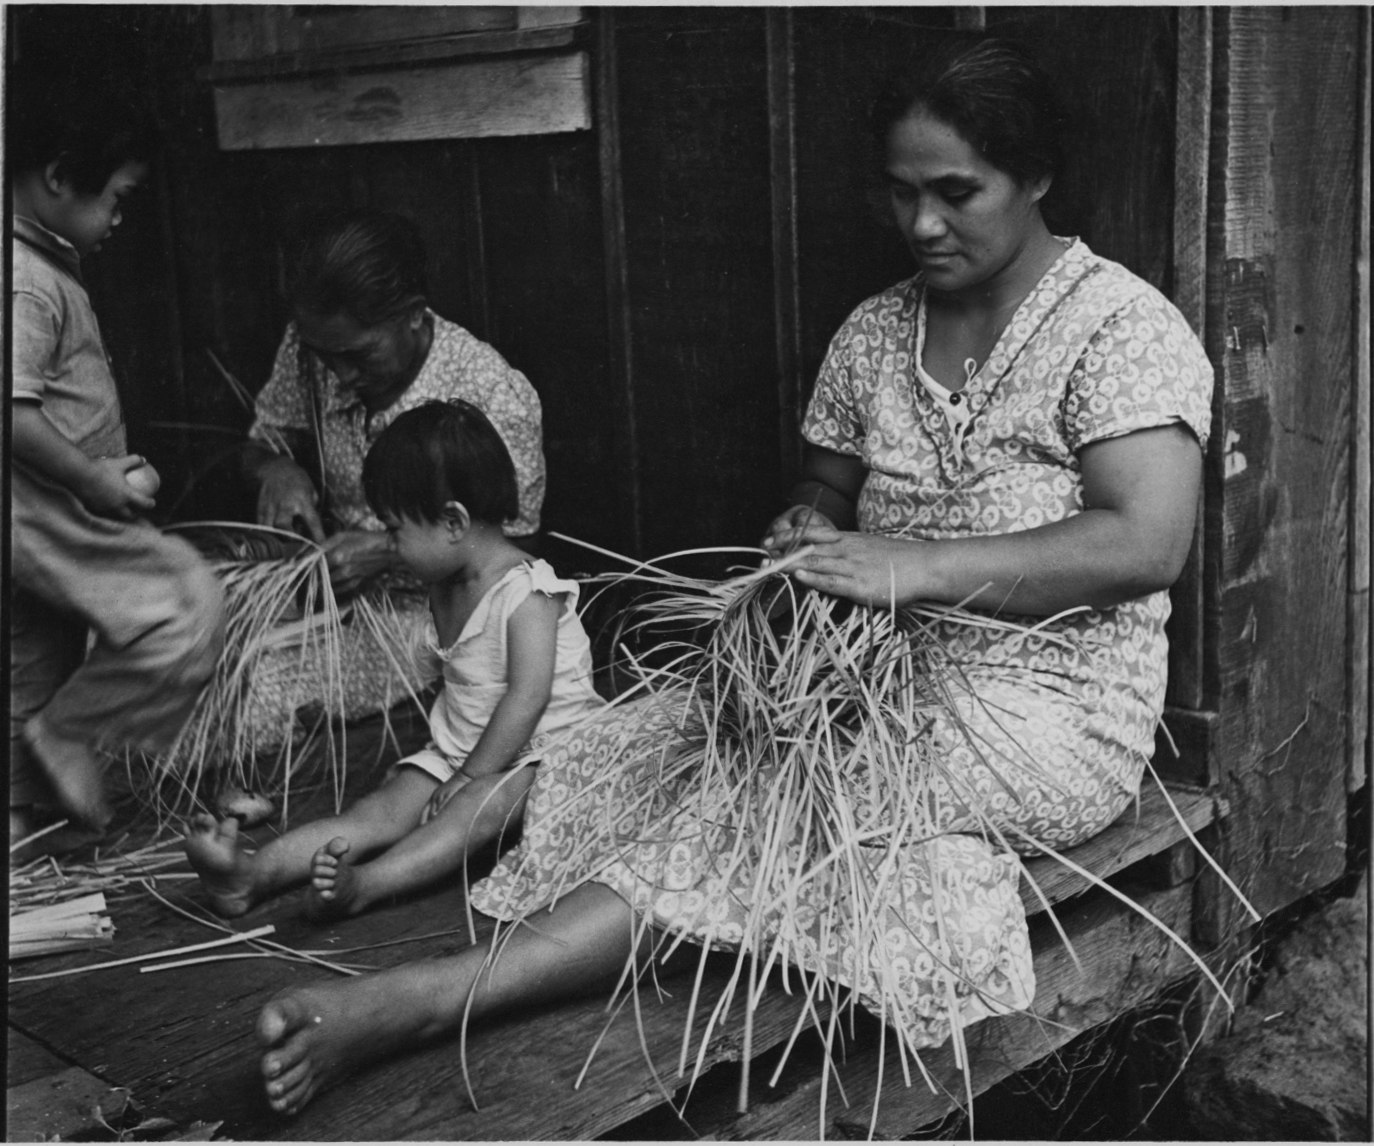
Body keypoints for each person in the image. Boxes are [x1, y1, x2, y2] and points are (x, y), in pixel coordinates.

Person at [248, 36, 1213, 1118]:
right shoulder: (876, 331)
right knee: (648, 747)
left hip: (1047, 702)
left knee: (778, 790)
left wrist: (919, 569)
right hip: (869, 674)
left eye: (957, 193)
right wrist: (806, 533)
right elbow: (825, 497)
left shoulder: (1119, 327)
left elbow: (1143, 545)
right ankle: (456, 960)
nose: (924, 225)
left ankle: (434, 999)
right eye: (902, 194)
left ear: (1035, 177)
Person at [184, 400, 603, 920]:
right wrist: (453, 766)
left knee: (472, 813)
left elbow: (527, 697)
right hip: (466, 751)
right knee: (378, 810)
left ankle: (369, 885)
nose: (389, 544)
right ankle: (250, 875)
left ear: (453, 521)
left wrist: (470, 777)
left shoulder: (527, 591)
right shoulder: (446, 585)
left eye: (395, 529)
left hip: (545, 755)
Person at [233, 207, 548, 747]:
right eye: (324, 357)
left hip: (430, 614)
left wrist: (387, 550)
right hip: (323, 590)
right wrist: (277, 467)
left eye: (357, 355)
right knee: (194, 641)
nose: (341, 375)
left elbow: (518, 540)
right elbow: (262, 442)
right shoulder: (311, 347)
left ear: (413, 315)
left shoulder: (489, 394)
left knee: (251, 693)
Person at [8, 74, 226, 837]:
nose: (121, 216)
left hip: (38, 521)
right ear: (61, 175)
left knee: (32, 661)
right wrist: (93, 478)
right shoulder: (26, 282)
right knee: (185, 602)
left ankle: (22, 833)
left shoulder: (36, 268)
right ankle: (70, 734)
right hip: (42, 506)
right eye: (118, 196)